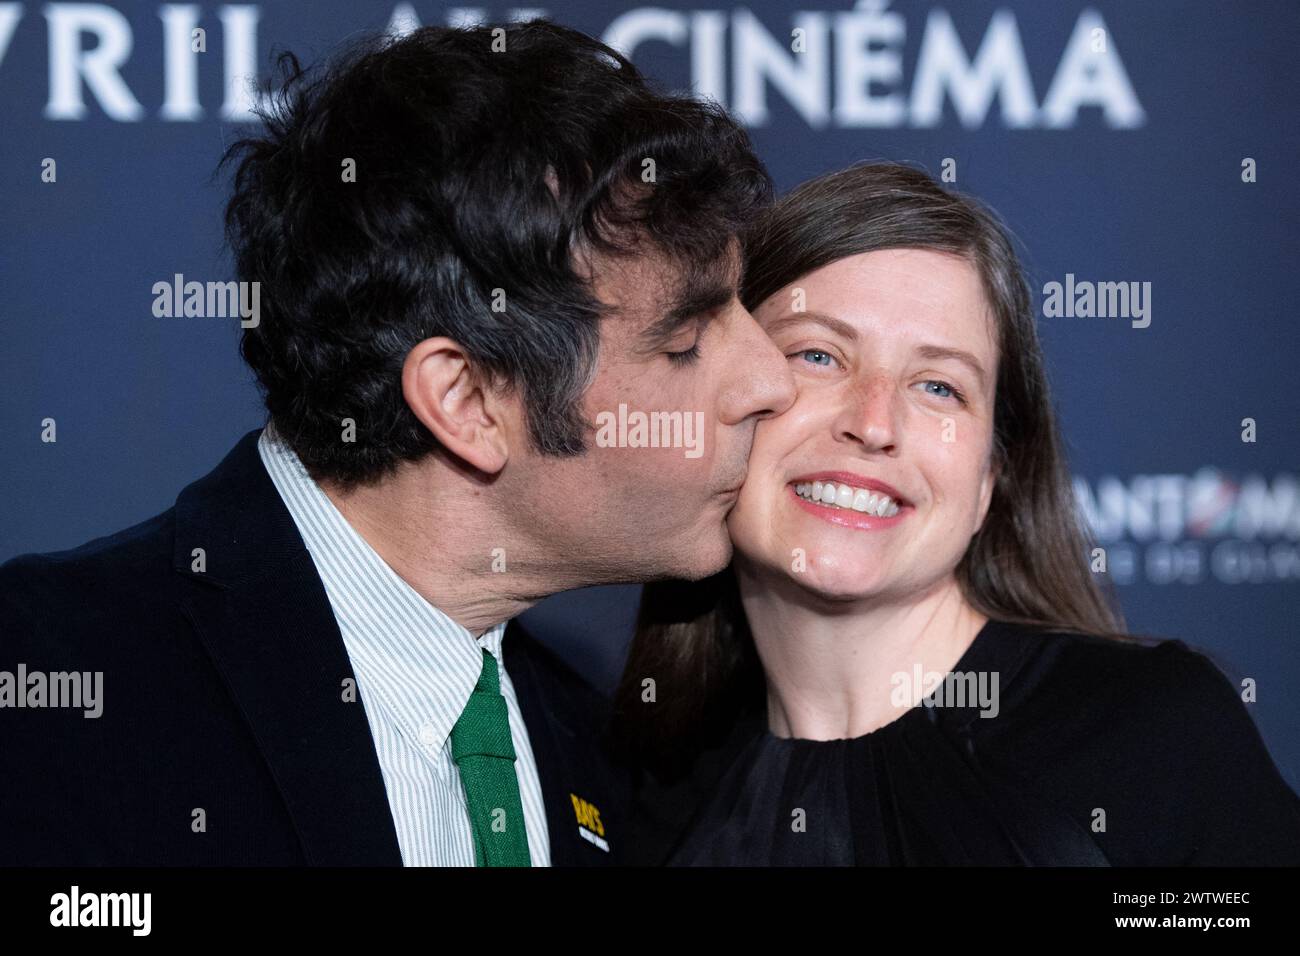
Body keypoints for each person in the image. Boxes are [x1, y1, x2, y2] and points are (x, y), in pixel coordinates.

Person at [0, 21, 796, 866]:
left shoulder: (601, 746)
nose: (771, 379)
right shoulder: (51, 691)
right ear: (465, 401)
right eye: (684, 343)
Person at [615, 161, 1300, 866]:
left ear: (990, 480)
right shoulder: (636, 792)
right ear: (724, 396)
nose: (874, 422)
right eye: (818, 354)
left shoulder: (1152, 736)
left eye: (939, 387)